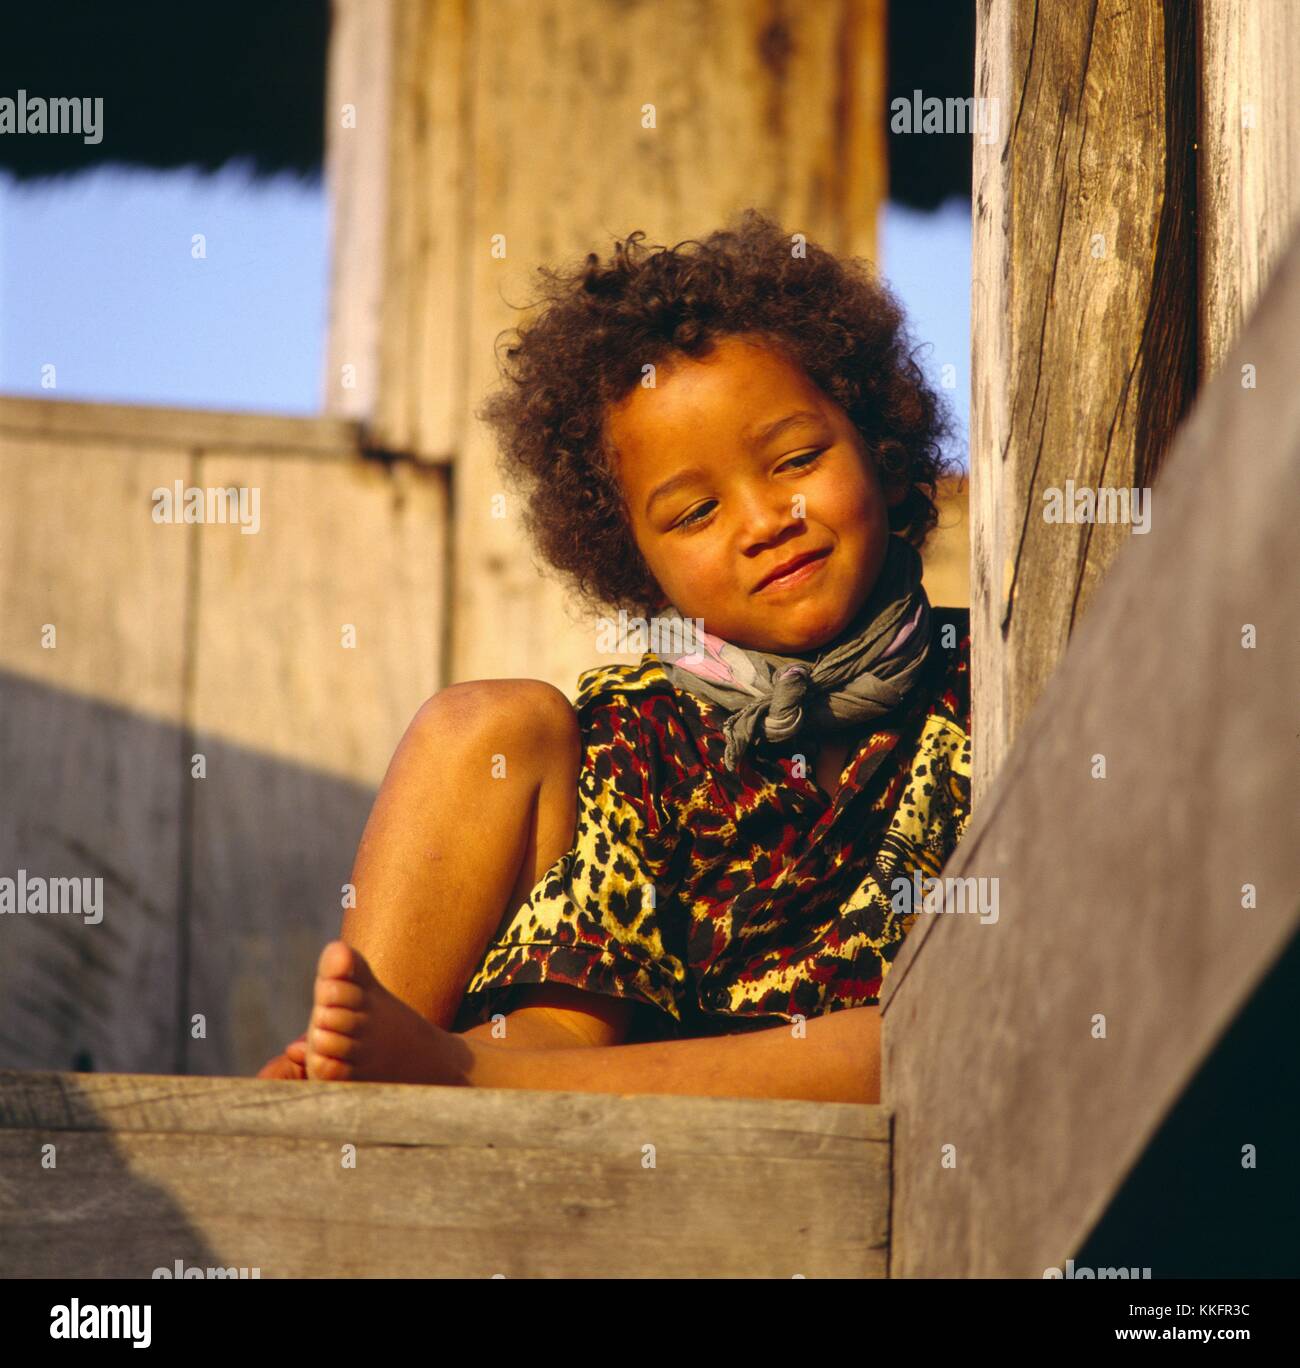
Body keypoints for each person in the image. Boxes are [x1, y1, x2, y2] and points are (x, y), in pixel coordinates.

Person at [257, 209, 970, 1104]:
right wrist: (479, 1055)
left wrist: (468, 1070)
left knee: (919, 1031)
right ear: (636, 559)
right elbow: (563, 1025)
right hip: (625, 1143)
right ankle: (348, 1084)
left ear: (881, 444)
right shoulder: (643, 733)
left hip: (890, 1096)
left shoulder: (986, 685)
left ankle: (434, 1077)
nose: (761, 523)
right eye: (694, 515)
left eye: (794, 460)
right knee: (485, 719)